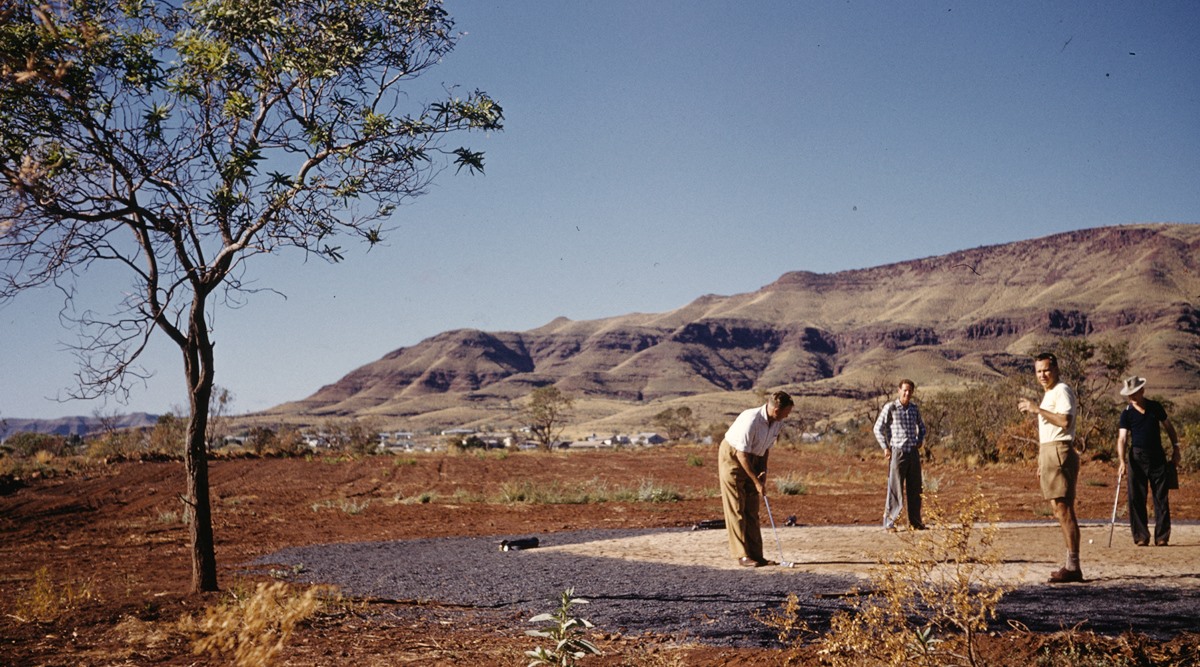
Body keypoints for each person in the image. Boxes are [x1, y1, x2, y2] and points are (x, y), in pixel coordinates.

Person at [1017, 352, 1083, 584]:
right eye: (1039, 371)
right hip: (1049, 452)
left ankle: (1073, 566)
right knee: (1058, 509)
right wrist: (1040, 460)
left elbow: (1065, 421)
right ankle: (1070, 564)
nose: (1042, 375)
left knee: (1064, 509)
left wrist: (1037, 410)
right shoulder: (1050, 394)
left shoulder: (1062, 390)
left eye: (1046, 370)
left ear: (1055, 369)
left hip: (1059, 450)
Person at [718, 391, 794, 567]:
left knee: (752, 509)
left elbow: (766, 448)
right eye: (786, 412)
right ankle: (742, 555)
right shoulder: (751, 419)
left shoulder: (776, 423)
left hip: (753, 457)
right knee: (737, 507)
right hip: (733, 457)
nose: (787, 416)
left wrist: (763, 471)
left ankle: (757, 555)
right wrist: (756, 481)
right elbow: (741, 454)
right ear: (776, 409)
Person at [1115, 375, 1182, 547]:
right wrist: (1122, 461)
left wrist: (1176, 447)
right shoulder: (1127, 413)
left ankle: (1162, 537)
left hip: (1157, 457)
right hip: (1137, 458)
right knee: (1136, 497)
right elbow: (1122, 439)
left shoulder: (1155, 407)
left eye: (1134, 393)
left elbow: (1168, 427)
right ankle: (1141, 536)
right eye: (1129, 395)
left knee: (1161, 496)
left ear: (1142, 391)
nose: (1132, 397)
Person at [874, 379, 927, 531]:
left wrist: (920, 440)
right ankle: (890, 523)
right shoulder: (891, 408)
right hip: (898, 452)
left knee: (916, 488)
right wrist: (885, 447)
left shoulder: (914, 409)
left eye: (910, 391)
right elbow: (877, 428)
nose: (907, 393)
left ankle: (915, 522)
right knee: (895, 488)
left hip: (913, 452)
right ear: (899, 390)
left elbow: (922, 428)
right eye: (904, 390)